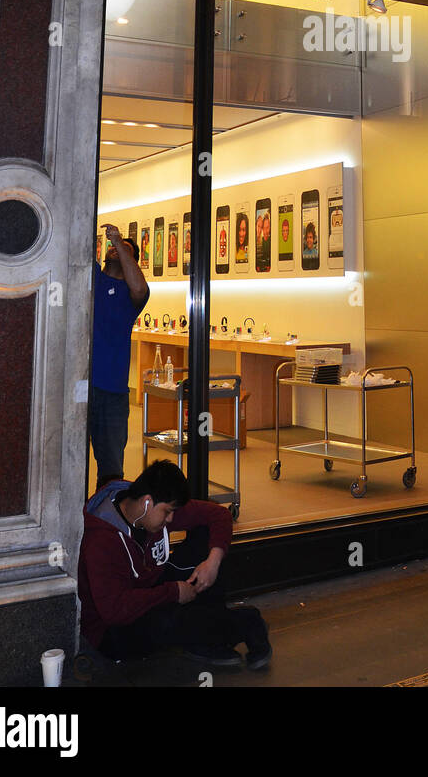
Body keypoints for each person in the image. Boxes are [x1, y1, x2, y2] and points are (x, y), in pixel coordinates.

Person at [78, 460, 271, 669]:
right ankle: (244, 624)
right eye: (167, 511)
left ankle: (205, 637)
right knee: (168, 622)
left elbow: (219, 515)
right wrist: (172, 592)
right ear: (146, 502)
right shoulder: (100, 539)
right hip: (115, 630)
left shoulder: (152, 507)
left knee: (207, 535)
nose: (171, 519)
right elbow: (114, 609)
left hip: (153, 591)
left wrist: (212, 562)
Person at [90, 223, 150, 489]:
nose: (116, 249)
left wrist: (119, 242)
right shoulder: (93, 277)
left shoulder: (131, 296)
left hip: (113, 393)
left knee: (111, 468)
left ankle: (106, 520)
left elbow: (140, 288)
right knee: (66, 460)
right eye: (114, 247)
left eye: (125, 250)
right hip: (79, 387)